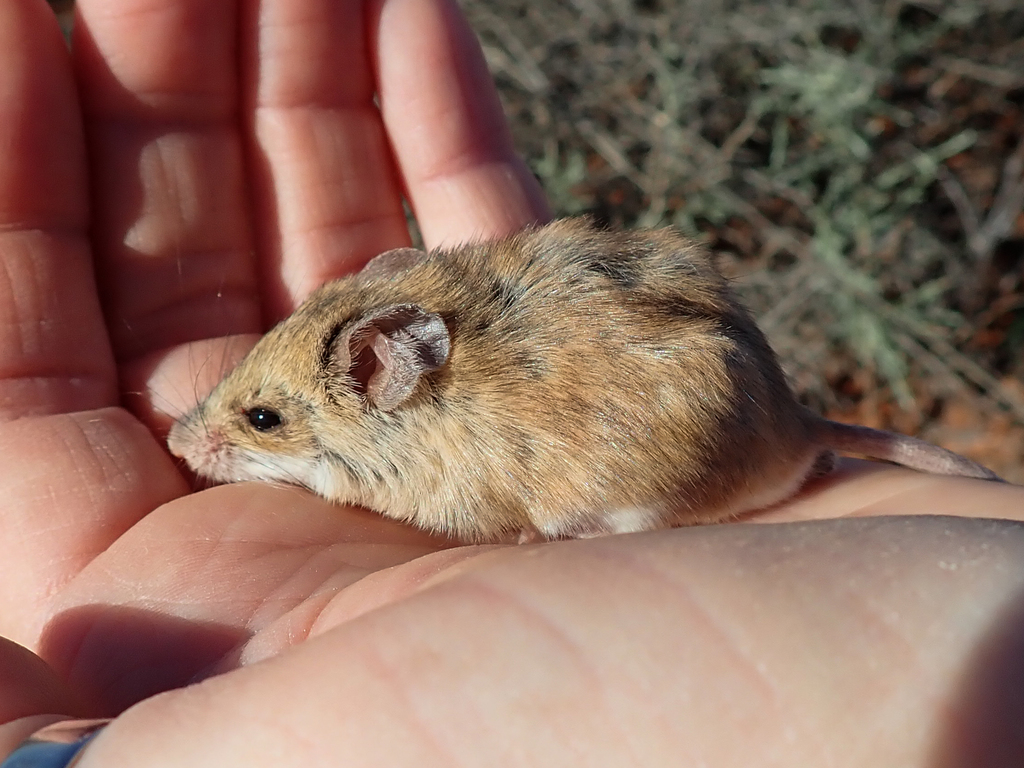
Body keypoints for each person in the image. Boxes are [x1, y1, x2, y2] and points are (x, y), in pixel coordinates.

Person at [1, 0, 1023, 765]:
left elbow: (438, 493)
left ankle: (688, 491)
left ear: (381, 375)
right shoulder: (402, 329)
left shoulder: (415, 452)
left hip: (695, 448)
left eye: (260, 419)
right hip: (731, 412)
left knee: (590, 474)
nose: (208, 443)